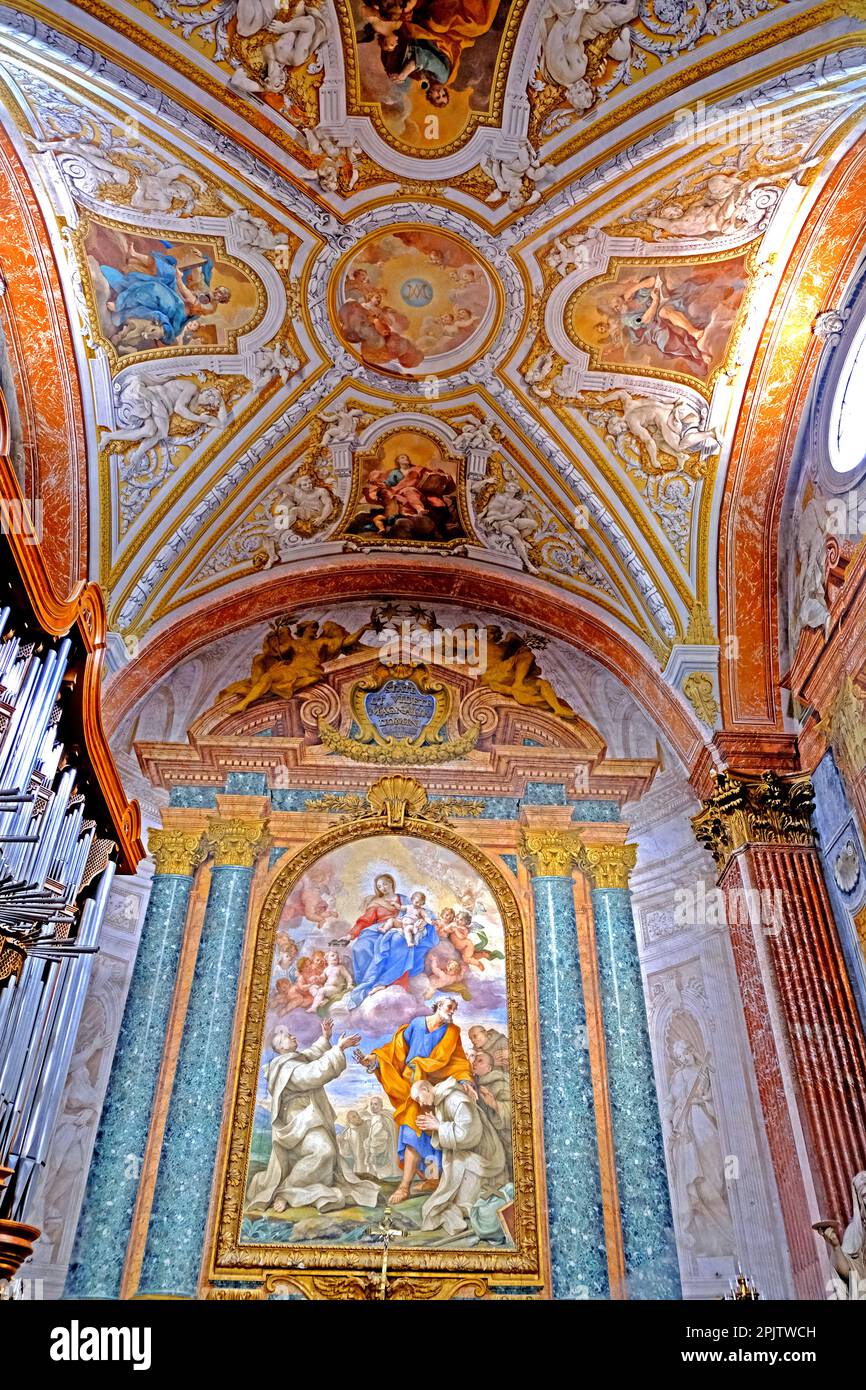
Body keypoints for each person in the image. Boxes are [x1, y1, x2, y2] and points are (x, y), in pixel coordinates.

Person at [247, 1018, 380, 1214]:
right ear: (280, 1048)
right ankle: (286, 1192)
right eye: (286, 1036)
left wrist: (325, 1038)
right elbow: (312, 1073)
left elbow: (309, 1056)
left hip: (306, 1115)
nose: (292, 1036)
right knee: (324, 1151)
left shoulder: (290, 1060)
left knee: (326, 1152)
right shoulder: (285, 1067)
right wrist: (338, 1049)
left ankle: (292, 1190)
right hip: (299, 1119)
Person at [355, 997, 473, 1202]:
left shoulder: (453, 1032)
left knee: (435, 1135)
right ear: (437, 1006)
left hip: (436, 1088)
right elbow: (394, 1050)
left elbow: (458, 1060)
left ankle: (434, 1180)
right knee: (412, 1129)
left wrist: (466, 1081)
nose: (452, 1011)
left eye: (455, 1008)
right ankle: (404, 1186)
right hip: (412, 1087)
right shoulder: (417, 1024)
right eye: (449, 1007)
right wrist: (373, 1060)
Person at [414, 1076, 509, 1234]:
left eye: (418, 1098)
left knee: (463, 1206)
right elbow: (450, 1132)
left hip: (482, 1157)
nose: (420, 1103)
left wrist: (439, 1127)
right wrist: (436, 1129)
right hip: (465, 1155)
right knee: (447, 1203)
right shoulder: (441, 1101)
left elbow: (469, 1135)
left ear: (426, 1089)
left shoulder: (455, 1099)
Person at [364, 1094, 402, 1179]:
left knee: (381, 1174)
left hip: (382, 1151)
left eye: (376, 1104)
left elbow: (378, 1138)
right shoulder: (380, 1116)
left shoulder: (379, 1118)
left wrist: (372, 1151)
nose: (373, 1106)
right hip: (384, 1150)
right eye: (371, 1104)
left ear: (381, 1105)